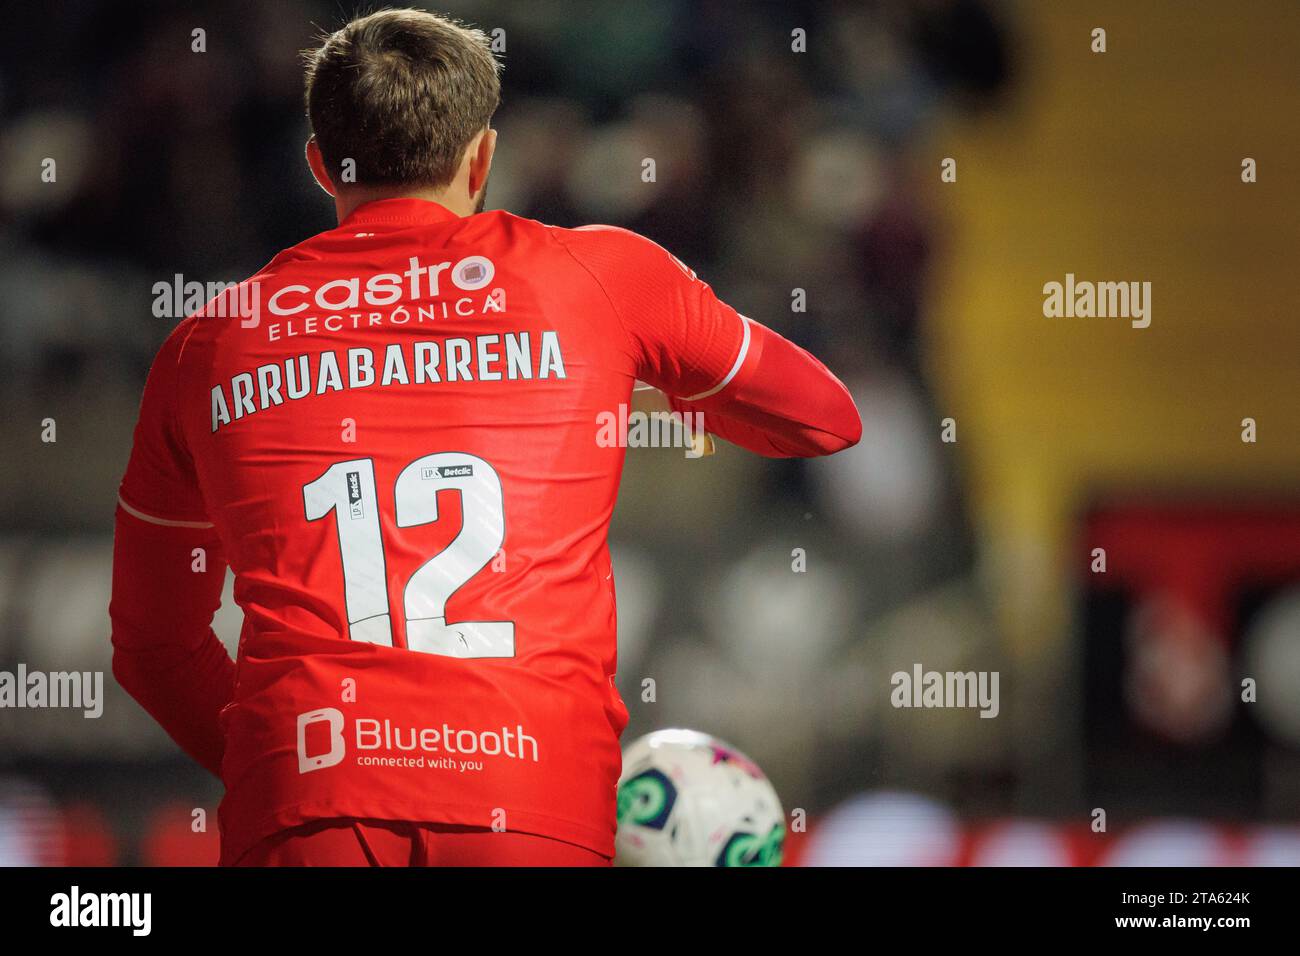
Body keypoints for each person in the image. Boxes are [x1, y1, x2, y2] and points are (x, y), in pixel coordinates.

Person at [110, 7, 861, 867]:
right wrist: (660, 387)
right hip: (532, 798)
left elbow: (153, 646)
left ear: (321, 164)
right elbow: (824, 416)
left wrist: (288, 769)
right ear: (483, 158)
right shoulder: (602, 278)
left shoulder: (210, 344)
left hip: (308, 802)